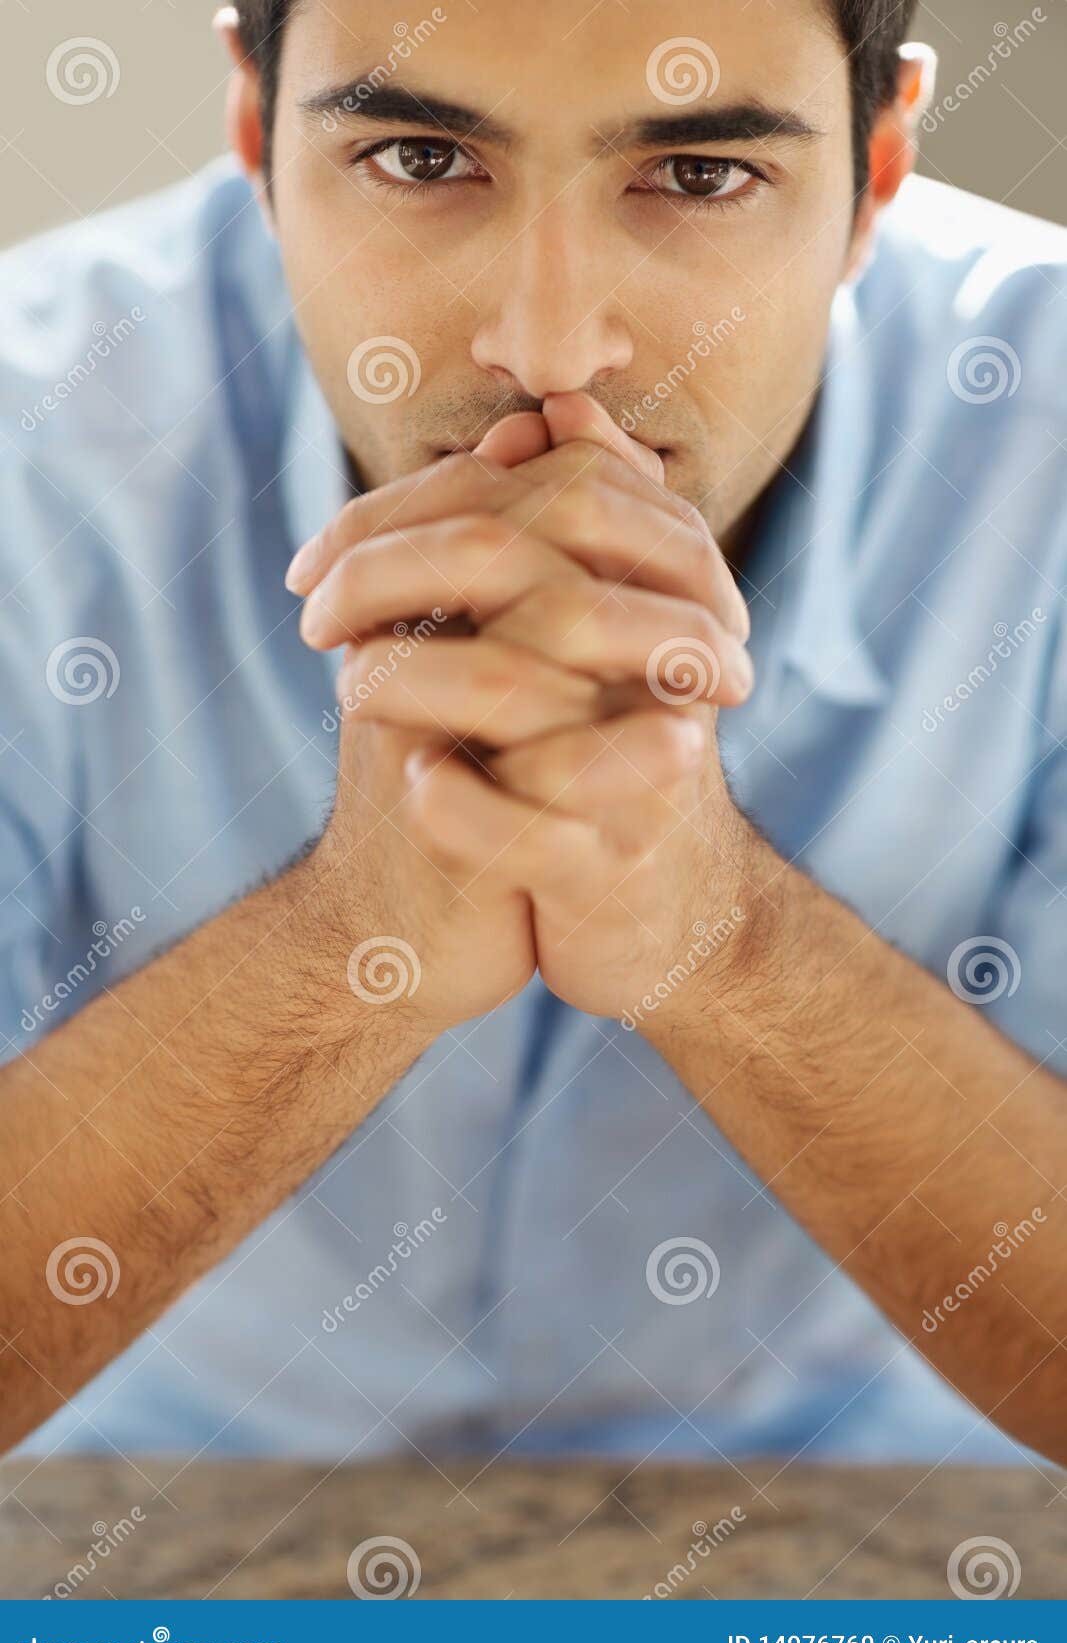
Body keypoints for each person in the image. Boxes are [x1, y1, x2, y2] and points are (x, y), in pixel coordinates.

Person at [2, 0, 1065, 1474]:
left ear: (878, 169)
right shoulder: (30, 436)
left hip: (865, 1503)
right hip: (161, 1495)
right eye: (421, 158)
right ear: (253, 133)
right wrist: (343, 944)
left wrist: (725, 940)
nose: (550, 347)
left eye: (700, 175)